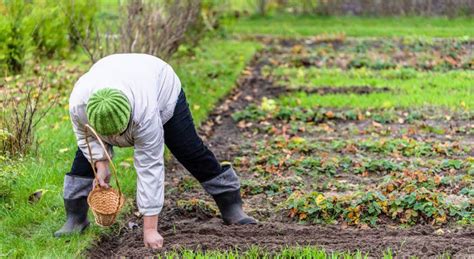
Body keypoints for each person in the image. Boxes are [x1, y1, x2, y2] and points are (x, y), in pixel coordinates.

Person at [54, 54, 256, 248]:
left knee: (188, 150)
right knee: (84, 157)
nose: (114, 140)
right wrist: (100, 162)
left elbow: (149, 166)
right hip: (115, 72)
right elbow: (85, 137)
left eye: (119, 133)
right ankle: (75, 217)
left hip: (160, 85)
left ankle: (229, 202)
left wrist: (150, 229)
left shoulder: (145, 112)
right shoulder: (79, 105)